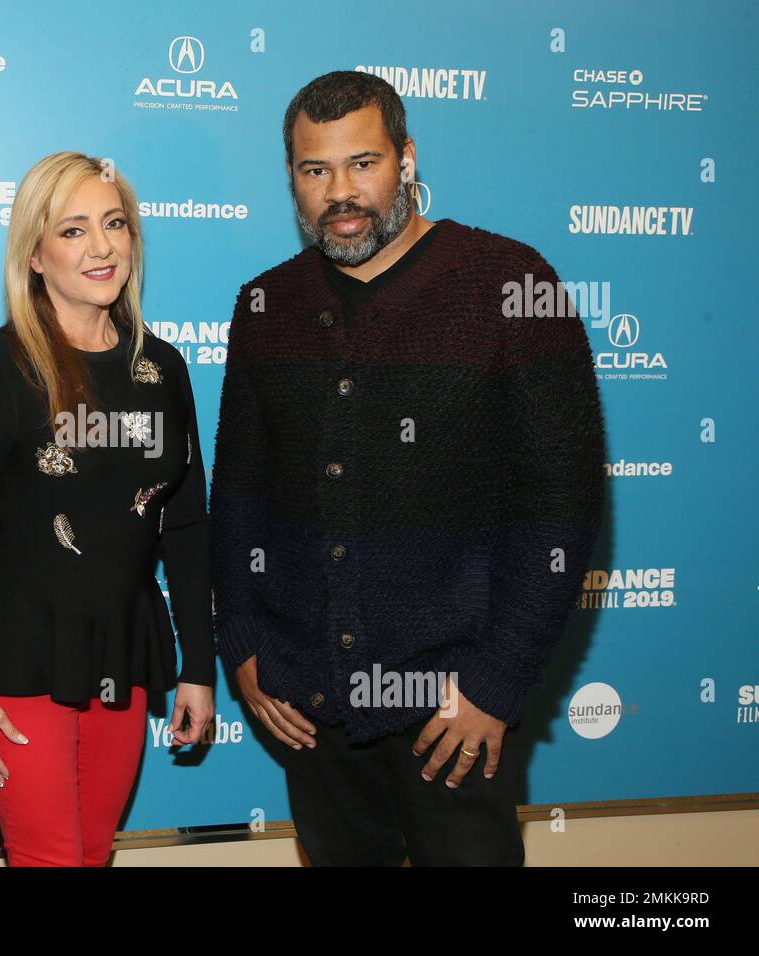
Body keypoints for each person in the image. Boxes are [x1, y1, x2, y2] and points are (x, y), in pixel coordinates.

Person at [209, 70, 607, 866]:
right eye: (315, 170)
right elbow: (239, 493)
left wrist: (497, 684)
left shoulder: (512, 286)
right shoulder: (266, 304)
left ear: (407, 158)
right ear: (291, 175)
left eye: (364, 163)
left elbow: (562, 511)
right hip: (310, 708)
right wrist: (245, 642)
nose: (341, 192)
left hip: (454, 715)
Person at [0, 151, 216, 866]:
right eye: (74, 230)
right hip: (20, 663)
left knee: (88, 855)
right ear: (35, 255)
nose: (103, 246)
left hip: (125, 653)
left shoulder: (163, 367)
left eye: (115, 225)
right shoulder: (1, 368)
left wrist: (199, 667)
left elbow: (187, 523)